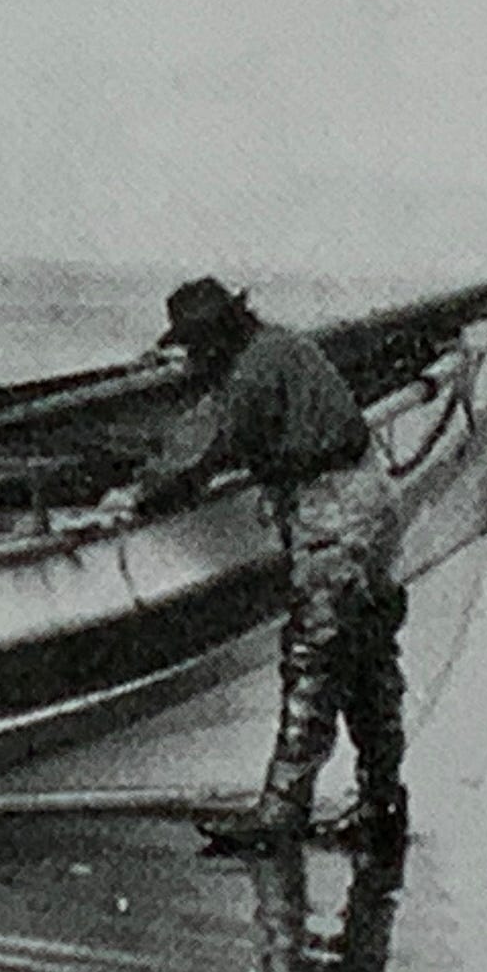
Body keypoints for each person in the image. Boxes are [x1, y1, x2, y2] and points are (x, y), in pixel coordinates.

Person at [115, 277, 409, 851]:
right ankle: (382, 806)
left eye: (196, 346)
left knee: (314, 657)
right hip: (369, 499)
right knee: (368, 657)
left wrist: (141, 495)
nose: (194, 357)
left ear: (216, 338)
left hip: (332, 514)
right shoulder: (283, 345)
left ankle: (281, 811)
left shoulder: (250, 374)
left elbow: (207, 450)